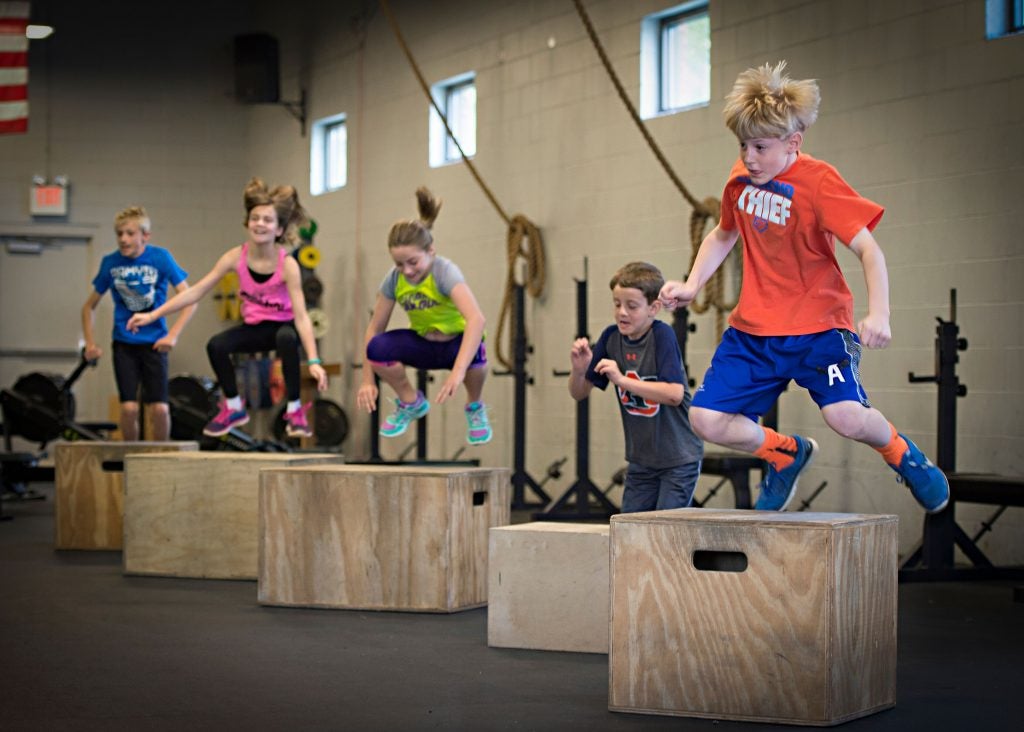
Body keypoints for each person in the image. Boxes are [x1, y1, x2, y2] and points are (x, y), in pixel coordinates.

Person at [659, 61, 949, 513]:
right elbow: (723, 233)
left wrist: (880, 313)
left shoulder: (819, 183)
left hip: (818, 327)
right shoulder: (740, 179)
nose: (749, 157)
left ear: (793, 142)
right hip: (755, 329)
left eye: (760, 146)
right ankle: (784, 453)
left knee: (846, 417)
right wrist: (693, 283)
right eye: (742, 145)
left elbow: (869, 250)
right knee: (705, 419)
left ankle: (902, 454)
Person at [127, 178, 327, 438]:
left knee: (288, 338)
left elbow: (301, 317)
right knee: (217, 345)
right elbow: (196, 291)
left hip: (283, 327)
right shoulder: (235, 257)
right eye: (255, 218)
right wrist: (153, 314)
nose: (260, 224)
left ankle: (295, 410)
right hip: (254, 329)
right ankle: (233, 407)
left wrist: (313, 361)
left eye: (268, 220)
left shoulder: (287, 265)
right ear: (247, 223)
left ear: (279, 229)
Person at [356, 187, 491, 445]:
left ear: (431, 252)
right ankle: (410, 401)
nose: (406, 270)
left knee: (476, 348)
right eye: (399, 264)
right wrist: (367, 380)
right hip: (423, 345)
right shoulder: (394, 280)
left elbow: (476, 319)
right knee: (377, 347)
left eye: (413, 262)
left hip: (455, 346)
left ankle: (474, 406)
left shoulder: (444, 272)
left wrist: (458, 372)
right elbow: (374, 329)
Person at [569, 262, 704, 512]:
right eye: (617, 304)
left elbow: (675, 394)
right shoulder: (611, 338)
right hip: (641, 460)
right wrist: (578, 371)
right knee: (630, 530)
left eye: (632, 306)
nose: (622, 312)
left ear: (653, 308)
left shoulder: (661, 336)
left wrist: (621, 380)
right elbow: (579, 393)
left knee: (665, 529)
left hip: (678, 458)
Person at [82, 206, 195, 441]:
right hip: (124, 345)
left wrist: (172, 335)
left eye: (130, 233)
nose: (124, 239)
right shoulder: (110, 263)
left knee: (160, 409)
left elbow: (190, 300)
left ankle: (161, 457)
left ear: (145, 235)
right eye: (120, 234)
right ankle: (130, 458)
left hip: (155, 344)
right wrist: (90, 344)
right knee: (129, 409)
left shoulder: (160, 258)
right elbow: (88, 307)